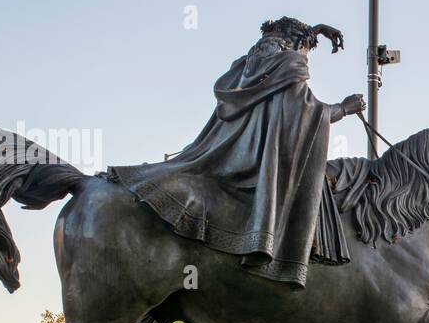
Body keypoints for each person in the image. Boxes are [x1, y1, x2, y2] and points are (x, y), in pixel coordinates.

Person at [111, 16, 365, 289]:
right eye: (306, 50)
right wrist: (344, 108)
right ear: (299, 45)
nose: (306, 58)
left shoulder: (247, 66)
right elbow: (305, 114)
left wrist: (313, 31)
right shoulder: (289, 65)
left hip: (226, 157)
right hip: (257, 166)